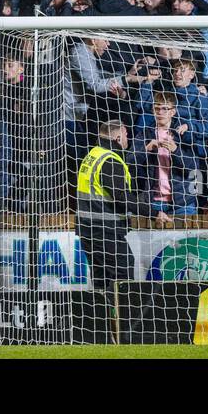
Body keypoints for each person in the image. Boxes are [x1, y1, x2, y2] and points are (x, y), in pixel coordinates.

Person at [74, 120, 143, 297]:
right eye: (127, 135)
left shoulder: (93, 154)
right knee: (123, 270)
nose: (128, 139)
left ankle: (100, 320)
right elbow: (122, 197)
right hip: (104, 227)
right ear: (118, 137)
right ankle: (122, 320)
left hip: (86, 227)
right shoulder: (109, 160)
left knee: (101, 278)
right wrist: (153, 211)